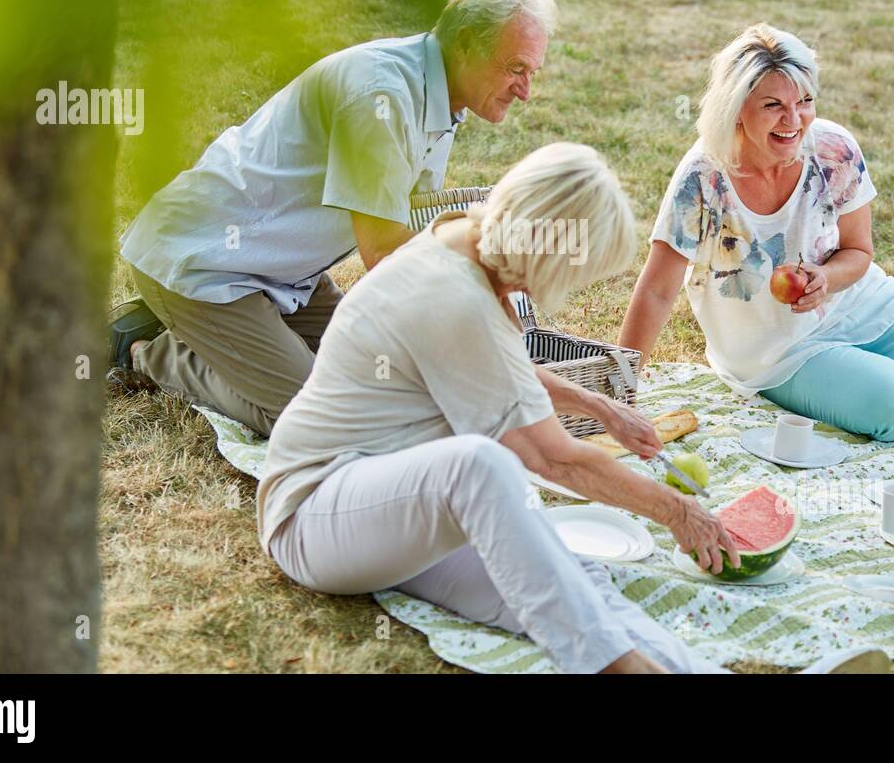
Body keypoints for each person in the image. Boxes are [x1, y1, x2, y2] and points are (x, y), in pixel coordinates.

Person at [258, 143, 753, 673]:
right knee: (483, 464)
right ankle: (616, 667)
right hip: (314, 518)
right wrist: (675, 511)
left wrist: (597, 404)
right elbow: (552, 457)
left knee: (577, 580)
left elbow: (490, 364)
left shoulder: (467, 239)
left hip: (399, 516)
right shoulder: (453, 296)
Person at [106, 0, 556, 435]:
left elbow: (416, 228)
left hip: (282, 271)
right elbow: (385, 255)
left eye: (532, 73)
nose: (525, 90)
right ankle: (153, 350)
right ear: (465, 43)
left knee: (382, 376)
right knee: (318, 421)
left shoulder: (442, 95)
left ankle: (220, 337)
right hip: (203, 262)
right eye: (516, 68)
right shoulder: (383, 97)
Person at [619, 23, 894, 442]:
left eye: (805, 101)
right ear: (736, 107)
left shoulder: (834, 149)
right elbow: (656, 291)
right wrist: (619, 395)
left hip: (868, 307)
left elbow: (858, 250)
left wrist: (826, 279)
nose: (793, 120)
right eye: (772, 105)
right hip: (778, 351)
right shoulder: (703, 178)